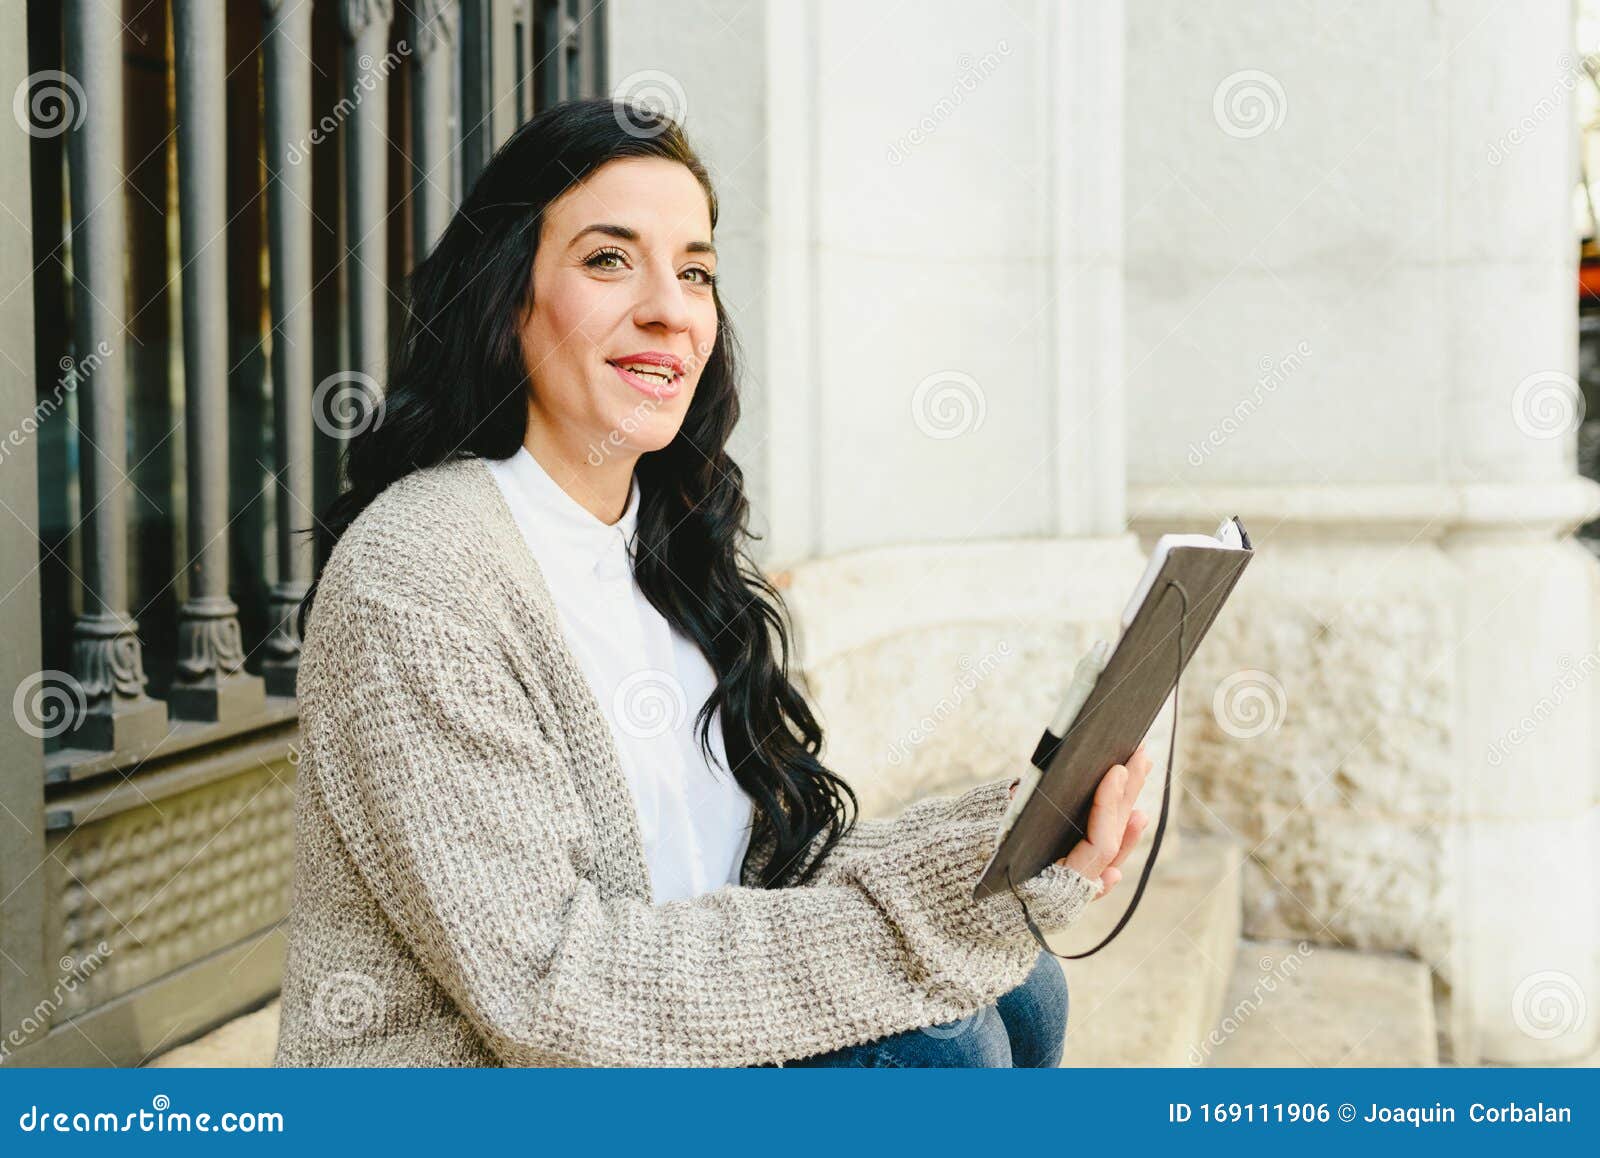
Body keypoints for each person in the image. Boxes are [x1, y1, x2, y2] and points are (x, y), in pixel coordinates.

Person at [272, 97, 1151, 1069]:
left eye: (695, 271)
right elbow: (552, 996)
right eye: (608, 259)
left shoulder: (666, 551)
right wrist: (930, 926)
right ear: (508, 297)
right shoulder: (423, 572)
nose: (669, 307)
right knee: (945, 1048)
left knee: (1025, 989)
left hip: (649, 1039)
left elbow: (751, 875)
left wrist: (1002, 846)